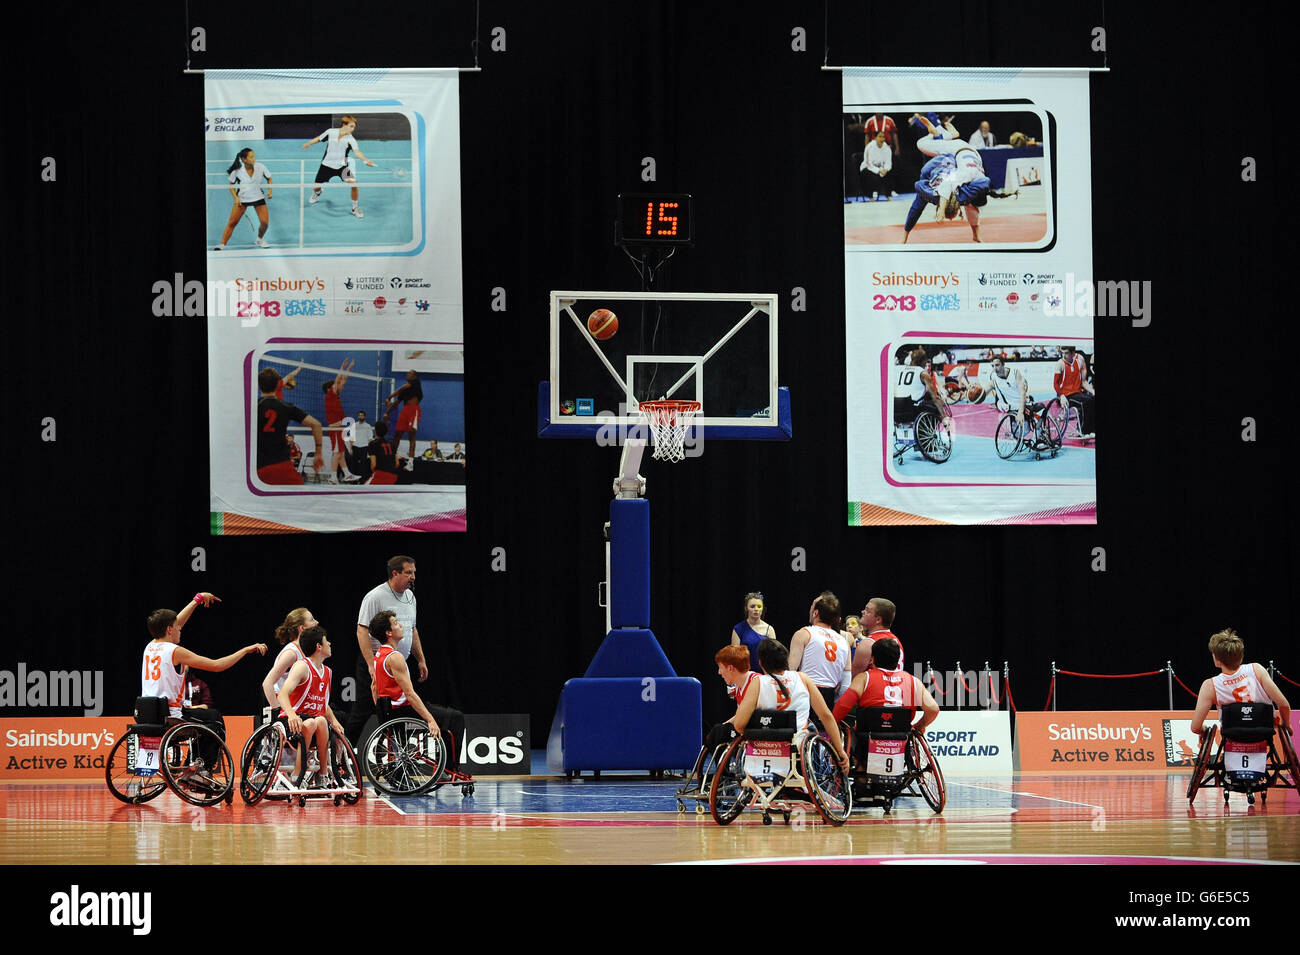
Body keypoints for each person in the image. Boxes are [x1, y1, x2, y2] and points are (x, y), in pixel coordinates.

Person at [141, 593, 267, 772]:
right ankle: (199, 769)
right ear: (169, 629)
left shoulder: (150, 646)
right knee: (215, 721)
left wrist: (197, 600)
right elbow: (217, 665)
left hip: (148, 714)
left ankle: (192, 765)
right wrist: (245, 651)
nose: (180, 629)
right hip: (171, 715)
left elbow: (176, 622)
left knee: (207, 718)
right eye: (177, 627)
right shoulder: (175, 651)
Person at [344, 556, 428, 748]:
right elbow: (362, 630)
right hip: (378, 663)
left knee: (402, 712)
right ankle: (342, 760)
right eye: (409, 572)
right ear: (395, 573)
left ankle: (399, 766)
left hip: (399, 664)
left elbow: (412, 630)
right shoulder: (375, 596)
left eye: (414, 572)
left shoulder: (410, 597)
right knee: (362, 712)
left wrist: (420, 660)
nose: (413, 576)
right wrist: (371, 664)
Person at [731, 638, 849, 772]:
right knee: (811, 727)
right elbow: (826, 716)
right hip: (798, 745)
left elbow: (739, 724)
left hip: (764, 745)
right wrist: (840, 751)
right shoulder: (803, 678)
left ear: (760, 663)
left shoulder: (758, 682)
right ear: (785, 660)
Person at [370, 609, 465, 773]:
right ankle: (449, 770)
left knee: (444, 714)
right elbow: (410, 694)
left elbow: (374, 687)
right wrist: (430, 720)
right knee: (456, 718)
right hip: (403, 711)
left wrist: (381, 713)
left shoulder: (379, 655)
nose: (400, 625)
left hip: (391, 711)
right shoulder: (395, 657)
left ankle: (446, 768)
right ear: (388, 632)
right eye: (395, 623)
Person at [1190, 630, 1292, 749]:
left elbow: (1195, 727)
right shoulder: (1257, 669)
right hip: (1264, 732)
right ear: (1240, 655)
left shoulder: (1210, 685)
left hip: (1233, 735)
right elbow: (1283, 704)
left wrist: (1204, 730)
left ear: (1217, 659)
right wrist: (1287, 724)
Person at [901, 114, 990, 244]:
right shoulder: (937, 192)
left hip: (968, 153)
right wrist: (941, 211)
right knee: (921, 144)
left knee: (970, 201)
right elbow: (919, 188)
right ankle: (942, 134)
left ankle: (943, 134)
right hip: (950, 155)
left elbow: (984, 184)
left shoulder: (972, 186)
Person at [276, 626, 347, 788]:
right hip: (292, 720)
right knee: (311, 723)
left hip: (315, 723)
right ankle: (297, 773)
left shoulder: (327, 672)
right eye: (326, 641)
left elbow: (324, 703)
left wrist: (334, 721)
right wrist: (292, 715)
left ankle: (322, 774)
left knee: (321, 721)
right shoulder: (302, 666)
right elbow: (283, 694)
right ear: (318, 647)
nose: (330, 643)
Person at [833, 637, 939, 737]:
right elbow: (933, 709)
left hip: (866, 740)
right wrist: (919, 726)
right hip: (901, 739)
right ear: (898, 659)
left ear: (872, 659)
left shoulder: (864, 678)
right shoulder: (913, 681)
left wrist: (831, 724)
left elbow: (842, 706)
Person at [257, 368, 324, 485]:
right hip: (282, 465)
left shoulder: (252, 407)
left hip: (258, 468)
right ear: (278, 383)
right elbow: (317, 425)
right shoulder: (287, 407)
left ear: (259, 385)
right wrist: (318, 453)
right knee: (298, 500)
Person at [302, 115, 377, 218]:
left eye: (354, 127)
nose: (352, 129)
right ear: (344, 125)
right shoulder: (330, 132)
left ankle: (355, 208)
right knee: (316, 187)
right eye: (351, 126)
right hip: (326, 165)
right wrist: (309, 143)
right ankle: (318, 192)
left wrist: (366, 160)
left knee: (354, 185)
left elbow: (357, 152)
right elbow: (319, 138)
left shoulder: (351, 140)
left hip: (342, 167)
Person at [788, 591, 850, 711]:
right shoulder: (844, 642)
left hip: (806, 695)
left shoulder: (803, 634)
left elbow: (790, 672)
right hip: (829, 698)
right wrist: (832, 701)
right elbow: (846, 685)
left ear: (815, 613)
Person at [261, 607, 317, 711]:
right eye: (312, 620)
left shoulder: (306, 651)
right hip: (282, 704)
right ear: (302, 628)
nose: (316, 622)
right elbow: (267, 683)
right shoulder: (291, 653)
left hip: (296, 703)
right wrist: (278, 712)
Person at [215, 148, 272, 250]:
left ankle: (259, 239)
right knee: (232, 223)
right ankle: (222, 244)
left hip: (258, 197)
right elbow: (231, 185)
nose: (253, 159)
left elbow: (269, 178)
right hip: (242, 199)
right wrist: (236, 198)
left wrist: (270, 191)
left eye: (254, 156)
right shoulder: (237, 171)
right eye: (251, 157)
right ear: (244, 159)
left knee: (265, 223)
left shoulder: (261, 167)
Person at [893, 348, 951, 436]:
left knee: (926, 397)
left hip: (895, 410)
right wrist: (944, 417)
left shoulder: (900, 369)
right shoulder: (923, 374)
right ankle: (926, 436)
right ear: (923, 361)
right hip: (910, 411)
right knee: (934, 406)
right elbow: (935, 398)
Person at [321, 358, 358, 483]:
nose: (338, 386)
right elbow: (338, 379)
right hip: (335, 428)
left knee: (341, 453)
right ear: (329, 389)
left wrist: (349, 369)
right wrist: (342, 366)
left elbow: (343, 380)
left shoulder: (336, 396)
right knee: (337, 453)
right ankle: (332, 477)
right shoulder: (329, 395)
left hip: (339, 427)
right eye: (334, 386)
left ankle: (347, 474)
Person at [851, 597, 905, 678]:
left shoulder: (867, 644)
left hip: (876, 689)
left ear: (878, 620)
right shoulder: (896, 641)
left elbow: (854, 679)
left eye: (867, 611)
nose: (862, 612)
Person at [1052, 345, 1095, 438]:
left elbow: (1083, 381)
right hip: (1066, 395)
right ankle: (1083, 431)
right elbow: (1055, 384)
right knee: (1086, 402)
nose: (1064, 355)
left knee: (1092, 399)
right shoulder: (1060, 364)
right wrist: (1062, 396)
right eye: (1062, 353)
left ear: (1073, 353)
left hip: (1077, 393)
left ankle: (1091, 429)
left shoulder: (1079, 362)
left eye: (1066, 353)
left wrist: (1092, 391)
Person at [384, 370, 423, 468]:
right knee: (397, 435)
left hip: (413, 411)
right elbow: (396, 403)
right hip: (405, 411)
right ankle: (392, 457)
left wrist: (389, 397)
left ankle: (410, 463)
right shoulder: (405, 391)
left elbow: (401, 388)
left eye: (409, 373)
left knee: (411, 436)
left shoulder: (415, 383)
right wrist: (387, 413)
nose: (407, 374)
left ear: (414, 376)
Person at [730, 592, 776, 671]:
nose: (756, 609)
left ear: (762, 608)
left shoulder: (769, 629)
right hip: (745, 674)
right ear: (746, 608)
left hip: (764, 675)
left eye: (759, 606)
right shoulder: (738, 629)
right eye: (752, 606)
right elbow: (734, 657)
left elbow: (773, 656)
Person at [860, 130, 899, 201]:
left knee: (889, 173)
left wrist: (886, 169)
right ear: (875, 138)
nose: (882, 139)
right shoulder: (869, 147)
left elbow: (888, 163)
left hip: (882, 169)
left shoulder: (887, 148)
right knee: (869, 175)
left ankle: (888, 195)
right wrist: (879, 171)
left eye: (883, 137)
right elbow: (869, 163)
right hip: (868, 168)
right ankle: (870, 196)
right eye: (880, 137)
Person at [366, 420, 404, 485]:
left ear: (375, 431)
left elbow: (373, 465)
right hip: (393, 476)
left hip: (380, 474)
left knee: (363, 491)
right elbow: (397, 463)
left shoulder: (372, 444)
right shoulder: (392, 444)